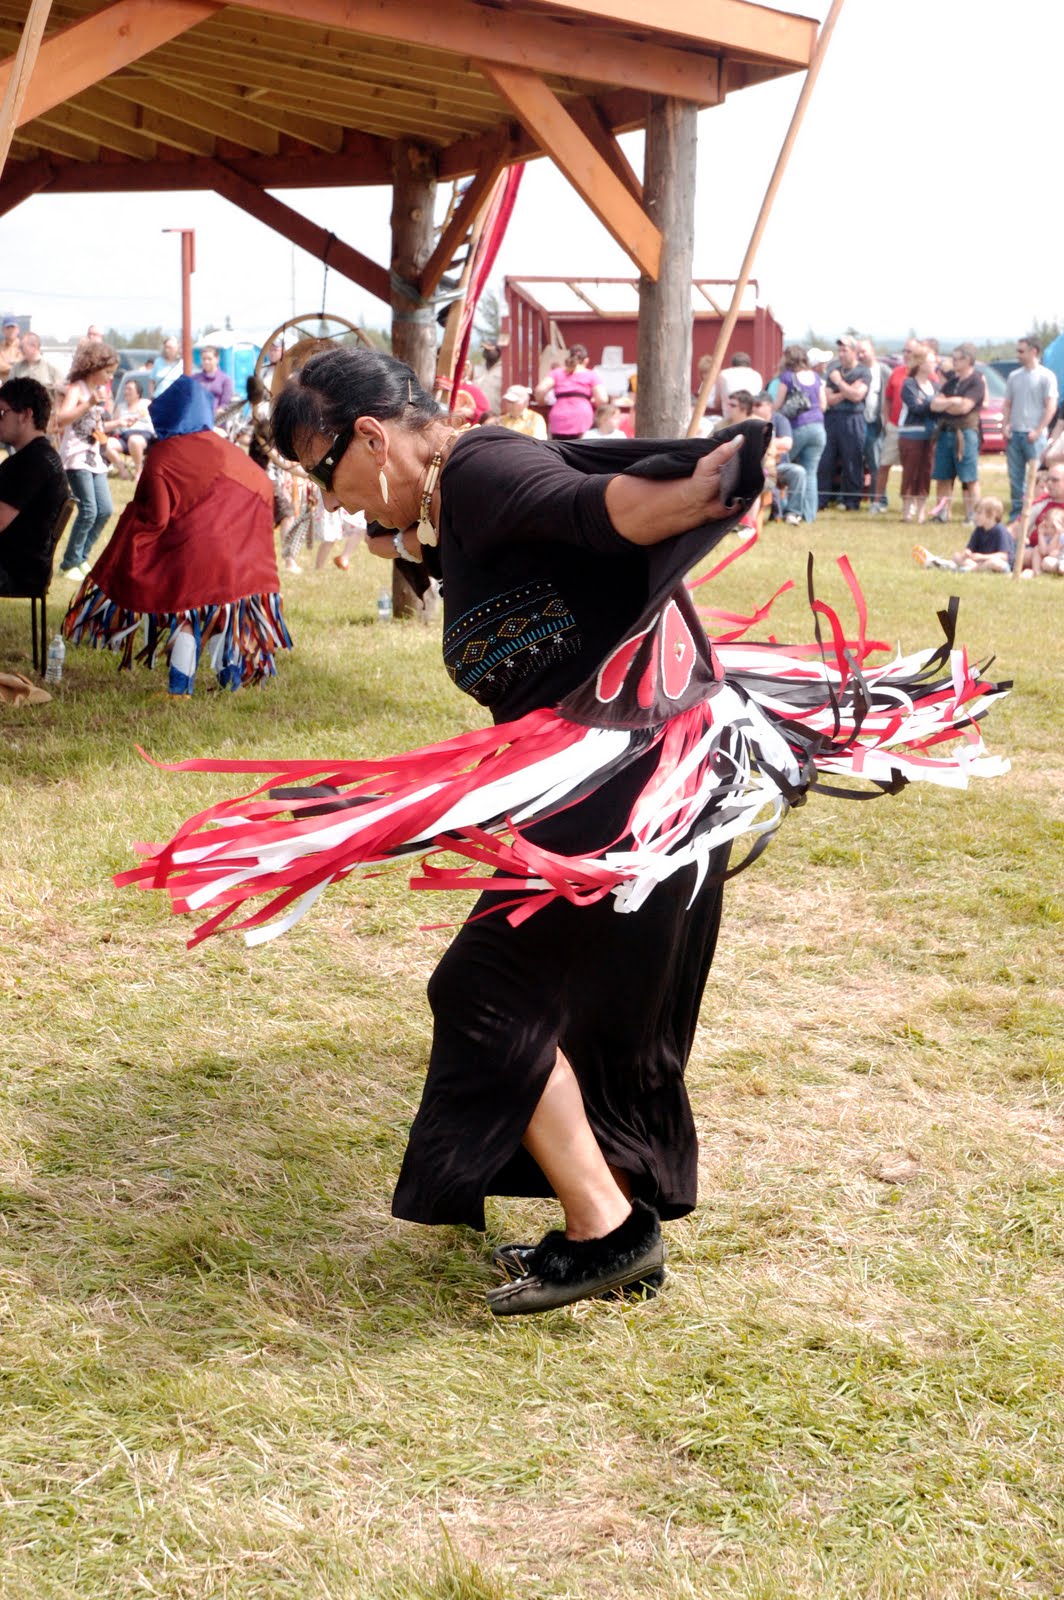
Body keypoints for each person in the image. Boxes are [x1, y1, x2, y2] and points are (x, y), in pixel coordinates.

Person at [124, 348, 1008, 1321]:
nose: (323, 494)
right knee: (580, 1005)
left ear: (370, 437)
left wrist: (699, 488)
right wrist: (409, 538)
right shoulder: (450, 504)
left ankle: (608, 1229)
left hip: (631, 776)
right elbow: (518, 564)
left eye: (321, 470)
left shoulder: (481, 469)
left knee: (482, 988)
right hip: (614, 775)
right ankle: (610, 1212)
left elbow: (600, 511)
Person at [63, 376, 292, 693]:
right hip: (236, 555)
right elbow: (263, 488)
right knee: (219, 612)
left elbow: (154, 516)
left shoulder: (163, 455)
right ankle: (232, 679)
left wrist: (133, 543)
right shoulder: (229, 450)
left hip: (190, 554)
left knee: (187, 612)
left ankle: (180, 688)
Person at [55, 338, 118, 580]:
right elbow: (62, 419)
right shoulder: (77, 389)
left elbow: (95, 425)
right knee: (89, 509)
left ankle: (82, 558)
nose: (109, 377)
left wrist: (118, 423)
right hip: (75, 456)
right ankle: (69, 562)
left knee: (105, 510)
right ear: (94, 366)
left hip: (93, 457)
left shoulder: (95, 393)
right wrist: (89, 403)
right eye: (108, 372)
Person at [0, 377, 68, 595]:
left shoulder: (32, 462)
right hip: (25, 567)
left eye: (2, 413)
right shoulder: (41, 456)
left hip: (14, 571)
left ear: (26, 415)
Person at [928, 343, 985, 523]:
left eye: (956, 358)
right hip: (945, 432)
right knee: (943, 476)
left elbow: (965, 407)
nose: (953, 361)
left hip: (966, 433)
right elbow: (934, 405)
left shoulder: (976, 381)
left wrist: (949, 403)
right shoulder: (951, 382)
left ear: (967, 360)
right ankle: (942, 513)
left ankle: (973, 515)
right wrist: (954, 401)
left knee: (969, 477)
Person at [1002, 336, 1058, 519]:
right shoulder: (1014, 376)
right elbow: (1007, 403)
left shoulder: (1046, 376)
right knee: (1016, 478)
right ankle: (1017, 515)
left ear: (1033, 351)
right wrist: (1005, 425)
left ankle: (1039, 513)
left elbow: (1051, 405)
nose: (1018, 354)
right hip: (1015, 434)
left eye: (1021, 351)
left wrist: (1039, 429)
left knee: (1038, 477)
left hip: (1035, 436)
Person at [774, 344, 825, 524]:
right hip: (819, 429)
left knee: (781, 465)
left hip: (798, 427)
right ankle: (809, 516)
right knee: (811, 472)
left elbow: (777, 405)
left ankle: (784, 509)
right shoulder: (816, 377)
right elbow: (823, 404)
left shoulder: (787, 377)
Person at [818, 336, 870, 510]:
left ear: (854, 352)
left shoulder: (863, 372)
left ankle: (851, 501)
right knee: (825, 460)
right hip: (832, 419)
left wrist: (839, 382)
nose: (841, 354)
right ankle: (821, 499)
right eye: (839, 350)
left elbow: (857, 396)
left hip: (853, 419)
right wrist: (848, 389)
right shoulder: (833, 369)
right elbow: (828, 399)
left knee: (852, 460)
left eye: (844, 350)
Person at [912, 496, 1014, 572]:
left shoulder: (1000, 530)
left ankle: (954, 567)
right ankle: (969, 569)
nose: (975, 516)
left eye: (979, 513)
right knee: (957, 556)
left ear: (992, 515)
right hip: (979, 563)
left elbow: (1004, 556)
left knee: (994, 563)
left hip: (998, 564)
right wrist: (967, 553)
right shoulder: (979, 530)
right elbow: (970, 548)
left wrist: (982, 557)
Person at [897, 344, 939, 523]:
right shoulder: (909, 384)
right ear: (921, 363)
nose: (934, 364)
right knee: (910, 472)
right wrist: (934, 404)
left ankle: (921, 511)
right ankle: (907, 511)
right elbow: (915, 407)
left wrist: (928, 403)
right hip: (910, 435)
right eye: (931, 361)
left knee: (925, 472)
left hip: (930, 436)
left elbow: (932, 406)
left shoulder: (935, 385)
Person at [877, 338, 921, 511]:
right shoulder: (896, 373)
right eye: (905, 351)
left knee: (911, 468)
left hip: (914, 428)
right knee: (884, 464)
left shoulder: (925, 374)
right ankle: (877, 501)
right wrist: (887, 420)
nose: (906, 354)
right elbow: (887, 399)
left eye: (910, 351)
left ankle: (910, 503)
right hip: (895, 426)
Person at [534, 344, 607, 439]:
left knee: (558, 450)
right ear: (586, 360)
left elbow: (540, 390)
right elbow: (602, 399)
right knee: (581, 450)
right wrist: (593, 403)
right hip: (582, 417)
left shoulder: (557, 373)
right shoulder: (591, 375)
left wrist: (541, 402)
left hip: (559, 417)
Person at [752, 391, 805, 524]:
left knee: (798, 472)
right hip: (755, 467)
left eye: (758, 405)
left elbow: (787, 443)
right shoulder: (750, 421)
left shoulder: (779, 420)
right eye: (753, 405)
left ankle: (792, 513)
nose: (754, 408)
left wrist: (765, 444)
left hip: (778, 465)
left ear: (769, 406)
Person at [856, 338, 888, 511]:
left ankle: (880, 500)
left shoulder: (883, 371)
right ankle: (851, 499)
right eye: (858, 352)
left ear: (872, 351)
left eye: (864, 351)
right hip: (858, 422)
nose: (861, 355)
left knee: (877, 463)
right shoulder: (855, 371)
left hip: (876, 423)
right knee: (854, 461)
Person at [103, 376, 154, 478]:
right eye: (125, 389)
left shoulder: (146, 403)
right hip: (125, 437)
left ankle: (139, 471)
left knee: (134, 440)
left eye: (129, 389)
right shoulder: (120, 407)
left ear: (138, 393)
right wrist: (119, 423)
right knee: (106, 443)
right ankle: (123, 470)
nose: (126, 391)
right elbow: (115, 426)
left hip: (144, 438)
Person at [10, 331, 62, 409]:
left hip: (44, 415)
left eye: (22, 347)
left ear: (34, 347)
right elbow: (9, 393)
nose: (19, 350)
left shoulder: (51, 367)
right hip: (21, 415)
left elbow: (61, 393)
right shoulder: (16, 368)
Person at [193, 345, 234, 417]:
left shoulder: (225, 380)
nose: (206, 362)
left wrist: (218, 412)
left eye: (209, 359)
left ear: (217, 359)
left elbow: (225, 404)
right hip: (198, 420)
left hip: (217, 421)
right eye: (204, 359)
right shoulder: (195, 378)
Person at [0, 316, 22, 380]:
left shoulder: (25, 346)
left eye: (13, 327)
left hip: (21, 384)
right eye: (8, 328)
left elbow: (26, 364)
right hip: (4, 385)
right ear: (3, 330)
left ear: (18, 330)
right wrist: (16, 365)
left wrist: (7, 365)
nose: (10, 330)